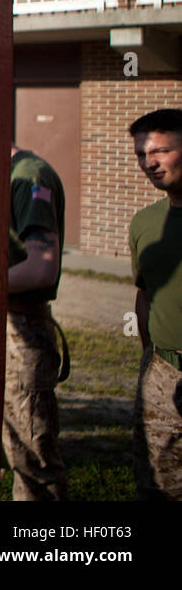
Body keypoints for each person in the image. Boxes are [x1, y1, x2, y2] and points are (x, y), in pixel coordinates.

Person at [3, 143, 69, 500]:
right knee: (9, 447)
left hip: (23, 332)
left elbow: (41, 267)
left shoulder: (28, 176)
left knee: (33, 462)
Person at [127, 108, 182, 500]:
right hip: (163, 374)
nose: (150, 163)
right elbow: (144, 294)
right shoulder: (144, 223)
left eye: (161, 151)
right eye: (142, 155)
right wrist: (151, 361)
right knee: (158, 488)